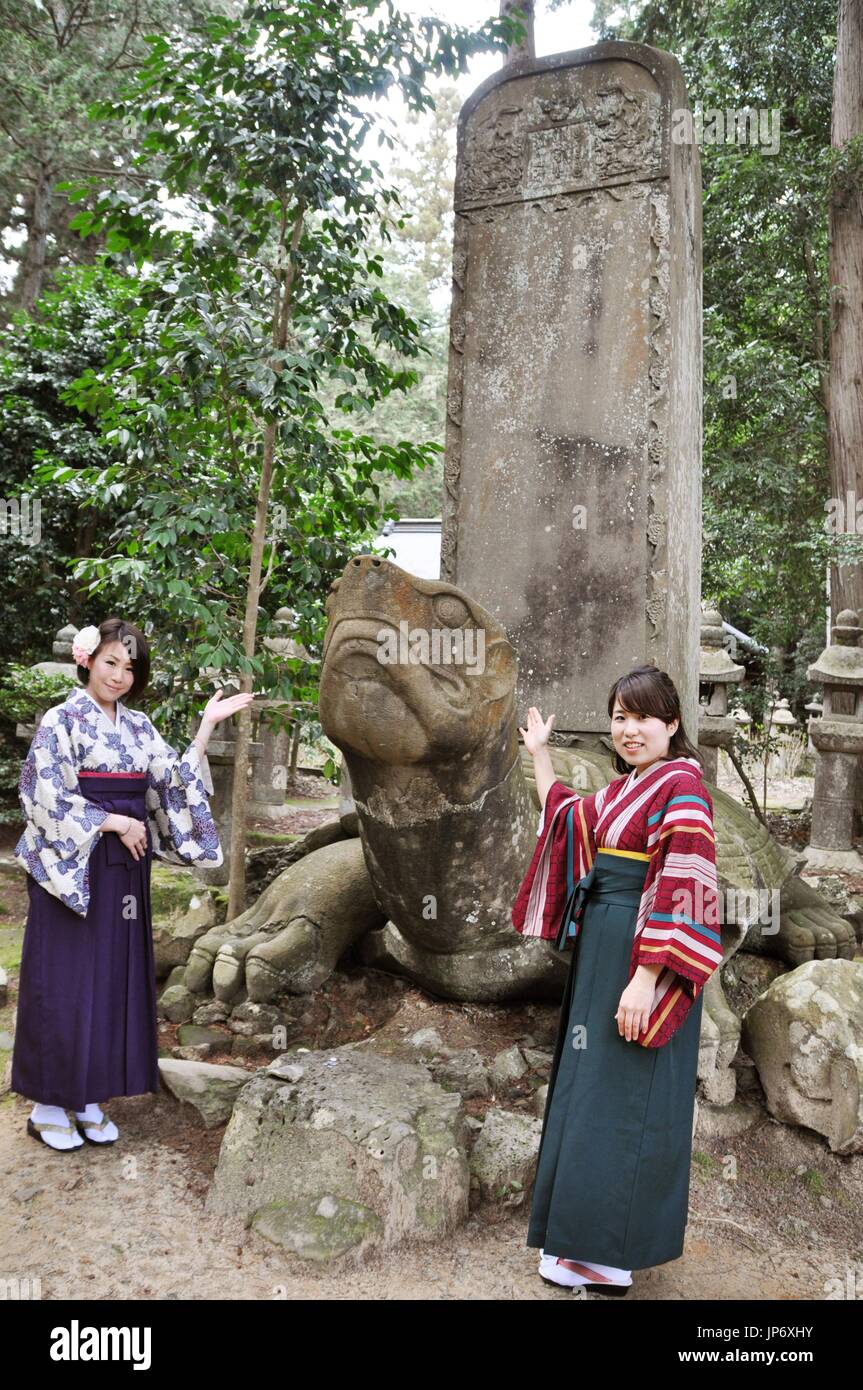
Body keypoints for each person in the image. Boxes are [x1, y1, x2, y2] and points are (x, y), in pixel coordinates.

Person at [511, 664, 722, 1295]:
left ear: (673, 723)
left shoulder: (682, 784)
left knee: (628, 1089)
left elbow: (684, 880)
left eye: (643, 717)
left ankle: (609, 1253)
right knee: (593, 1085)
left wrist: (647, 977)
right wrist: (540, 753)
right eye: (620, 717)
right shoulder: (629, 785)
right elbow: (567, 816)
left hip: (642, 949)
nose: (630, 730)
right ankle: (585, 1243)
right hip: (606, 940)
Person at [11, 617, 255, 1153]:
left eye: (129, 666)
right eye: (110, 662)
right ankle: (49, 1101)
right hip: (70, 864)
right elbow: (40, 794)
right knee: (65, 978)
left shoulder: (139, 725)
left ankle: (90, 1094)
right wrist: (114, 821)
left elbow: (171, 780)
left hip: (125, 867)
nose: (119, 675)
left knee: (112, 978)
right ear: (88, 661)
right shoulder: (61, 719)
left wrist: (206, 727)